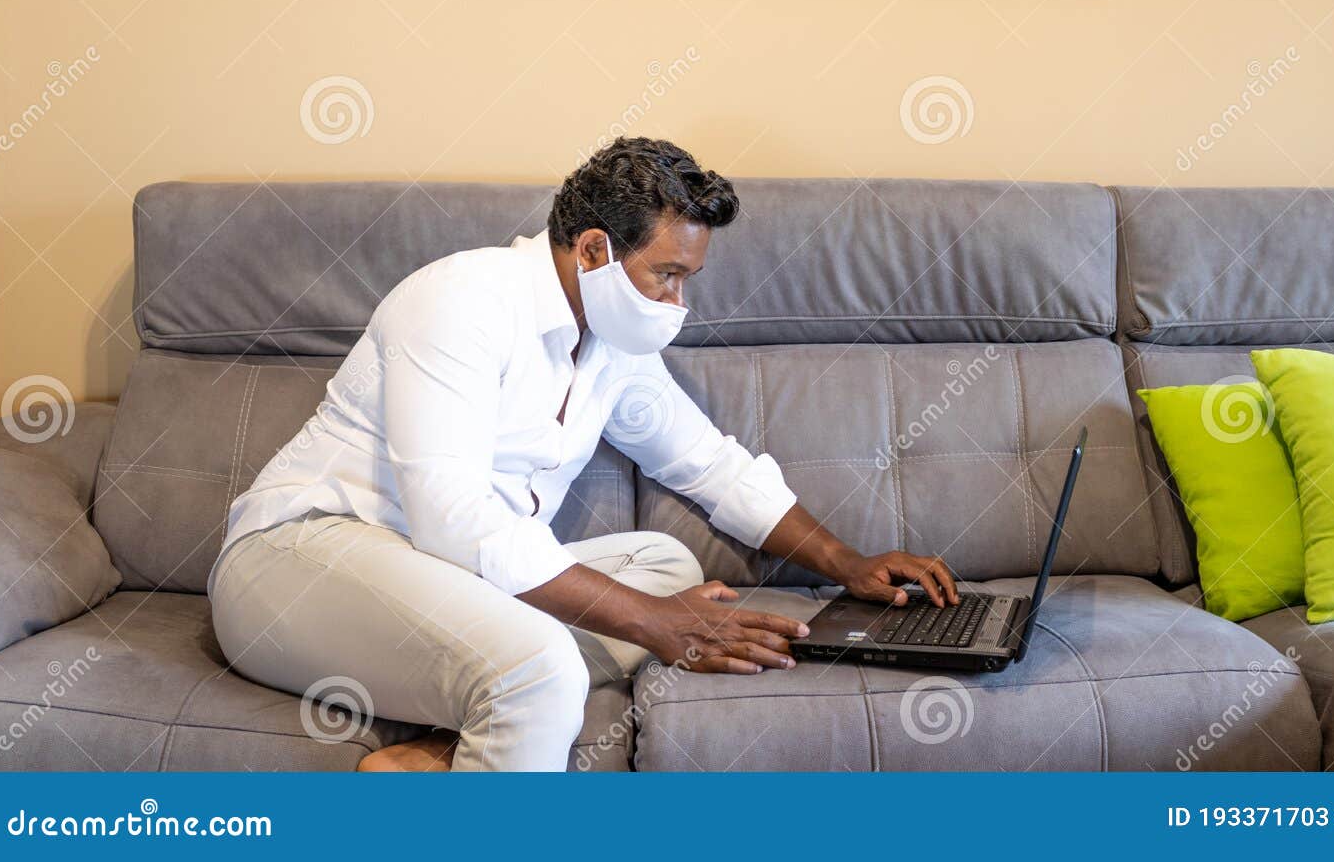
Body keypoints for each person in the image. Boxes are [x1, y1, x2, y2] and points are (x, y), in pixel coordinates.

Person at [208, 137, 957, 771]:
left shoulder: (612, 343)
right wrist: (657, 626)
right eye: (667, 274)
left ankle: (443, 743)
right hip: (300, 555)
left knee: (665, 565)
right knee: (544, 666)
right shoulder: (460, 299)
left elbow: (708, 463)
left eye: (687, 280)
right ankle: (507, 701)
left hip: (441, 578)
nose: (677, 303)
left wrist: (847, 562)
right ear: (595, 248)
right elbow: (452, 519)